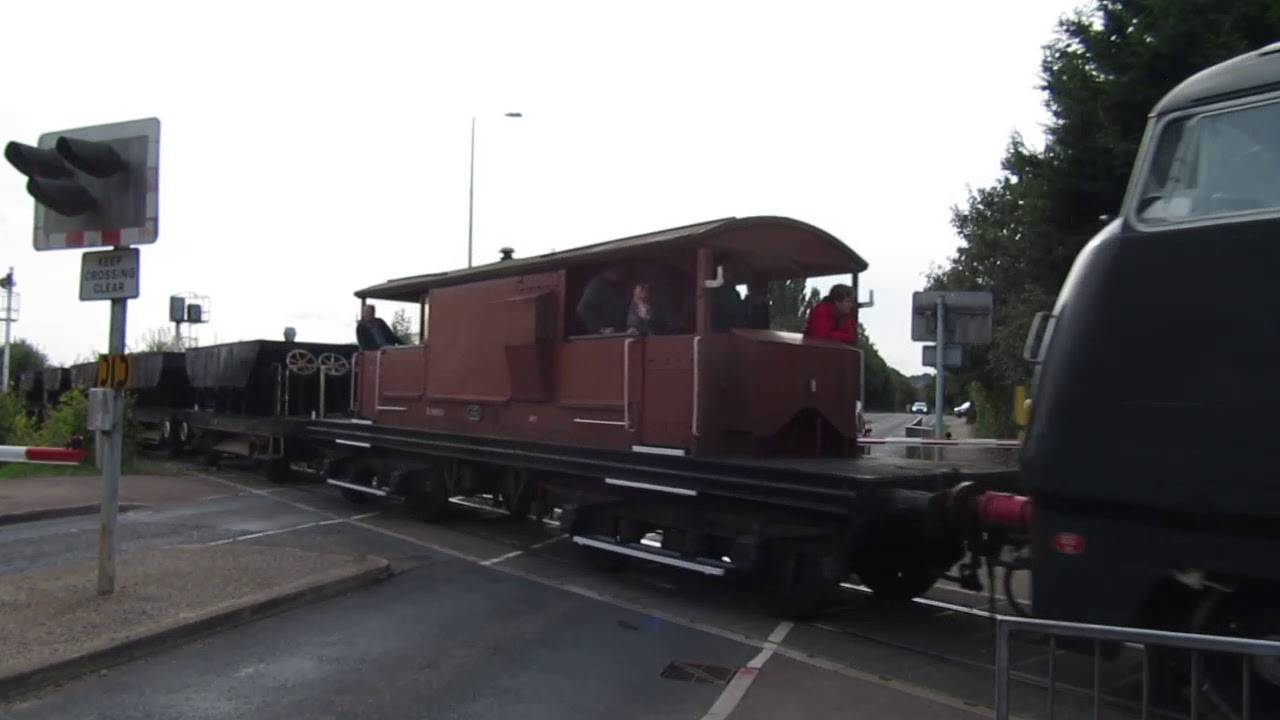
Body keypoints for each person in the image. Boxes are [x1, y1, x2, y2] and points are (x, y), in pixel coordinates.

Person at [576, 266, 628, 334]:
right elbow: (582, 309)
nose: (621, 273)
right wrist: (601, 328)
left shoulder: (615, 285)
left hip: (618, 333)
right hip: (604, 336)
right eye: (617, 270)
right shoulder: (597, 284)